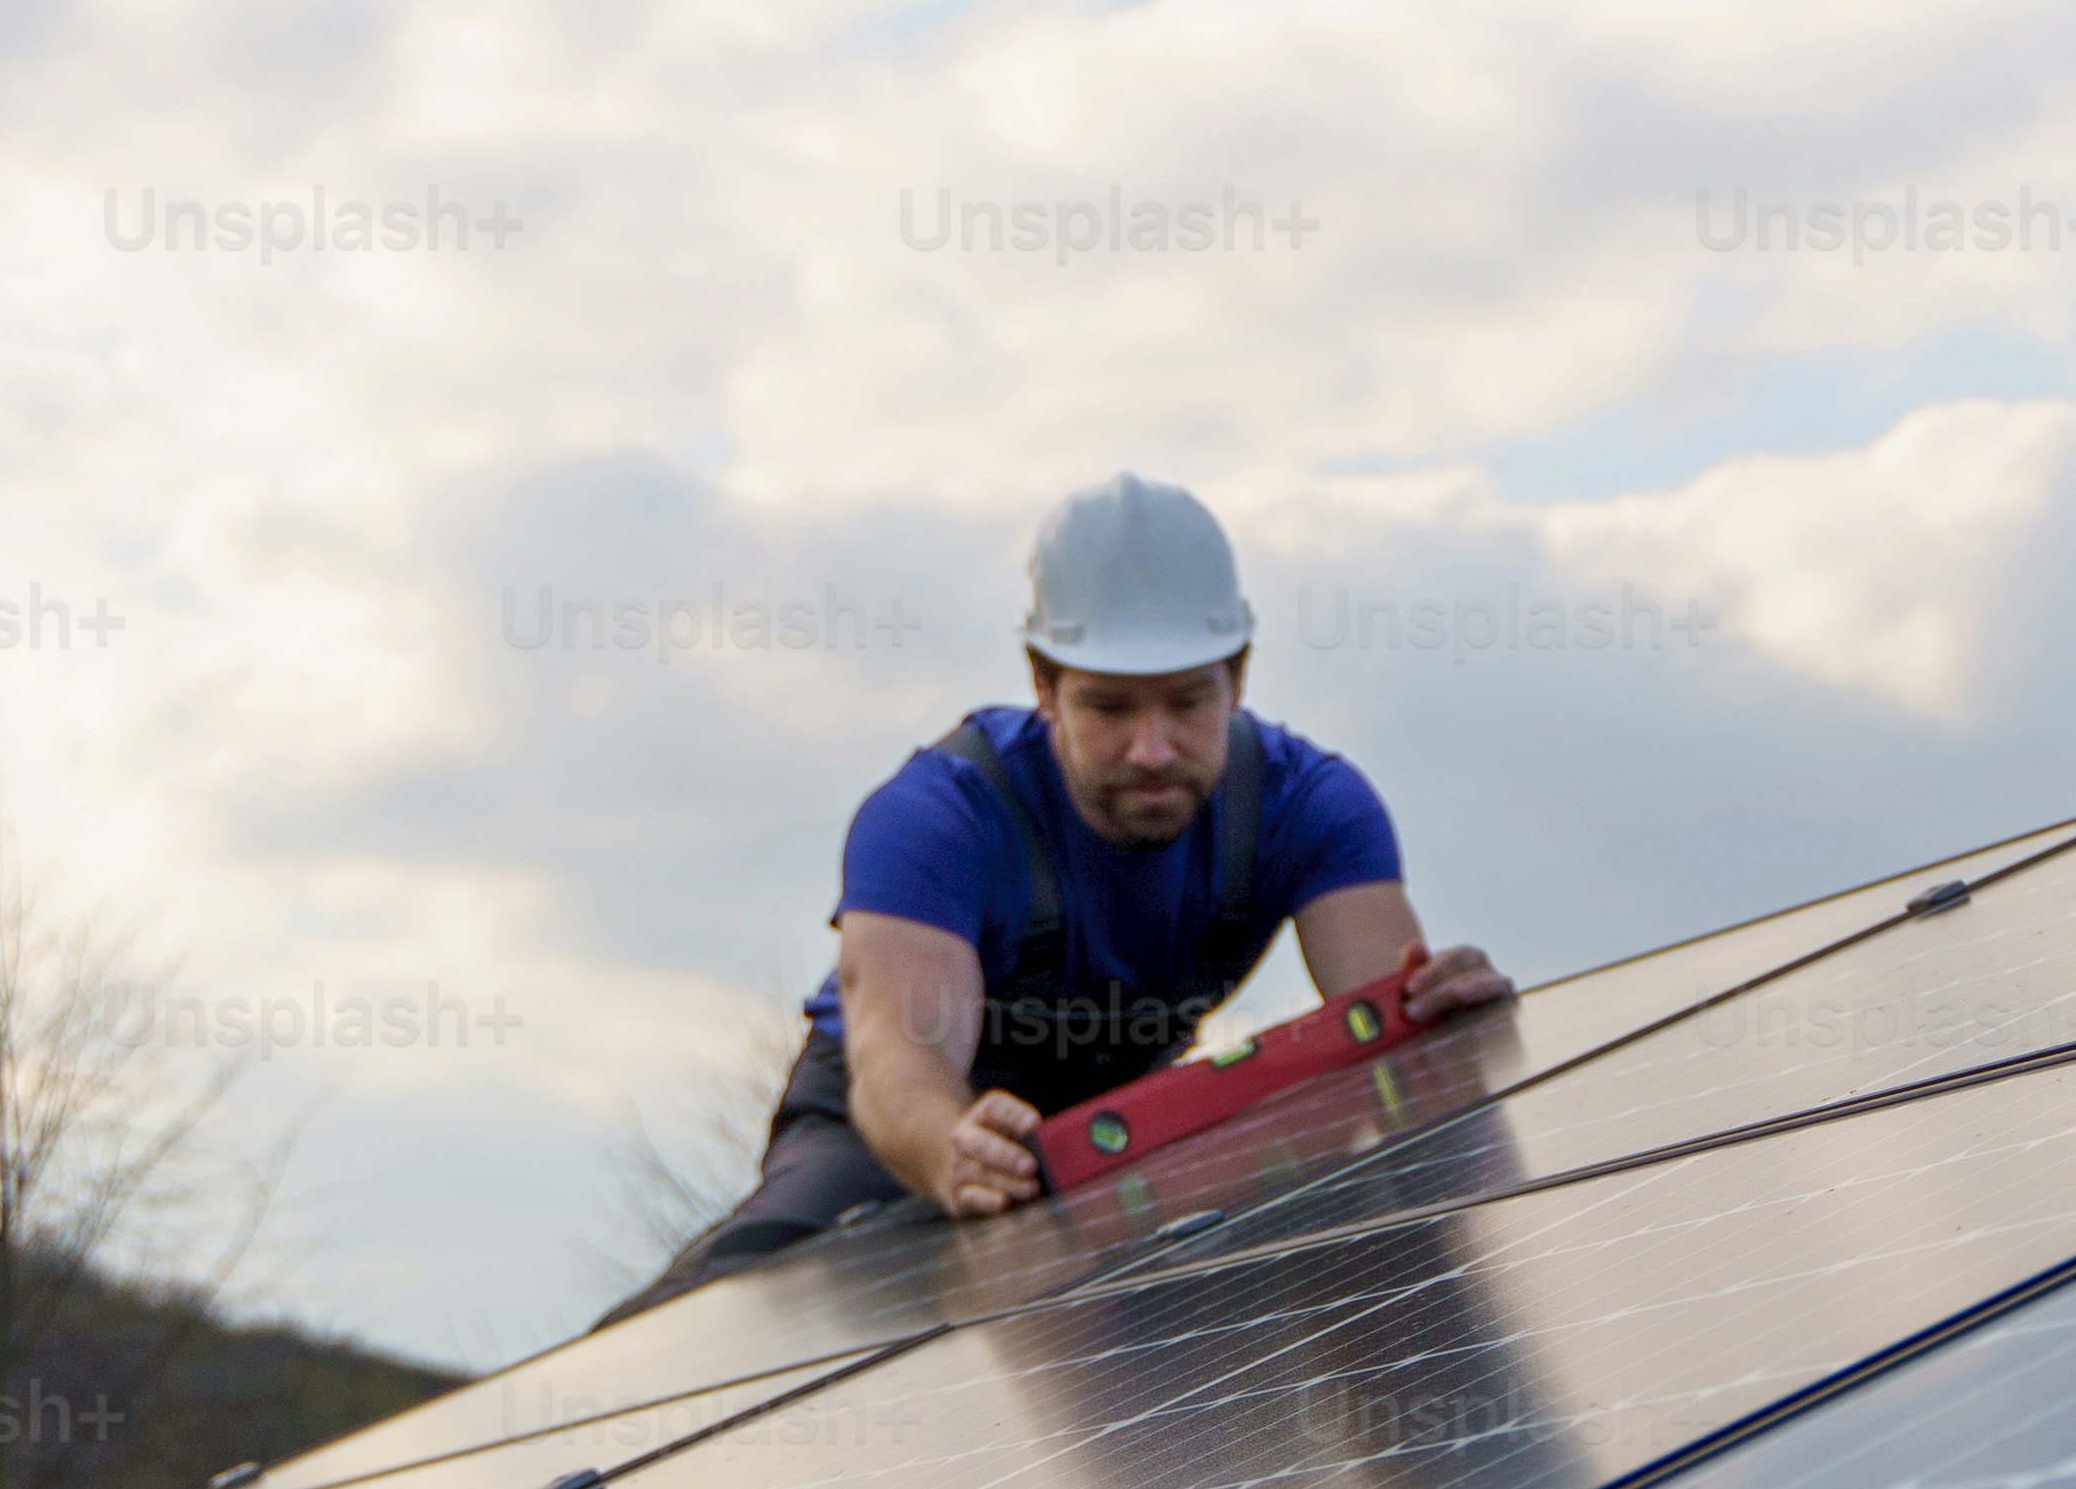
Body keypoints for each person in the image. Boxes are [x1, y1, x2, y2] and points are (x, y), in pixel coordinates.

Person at [624, 474, 1504, 1303]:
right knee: (769, 1287)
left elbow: (1384, 1020)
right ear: (1044, 685)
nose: (1152, 748)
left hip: (1116, 1127)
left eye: (1188, 704)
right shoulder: (936, 817)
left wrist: (1445, 1021)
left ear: (1237, 676)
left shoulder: (1311, 806)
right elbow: (899, 1062)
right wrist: (950, 1152)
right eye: (1111, 709)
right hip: (891, 1132)